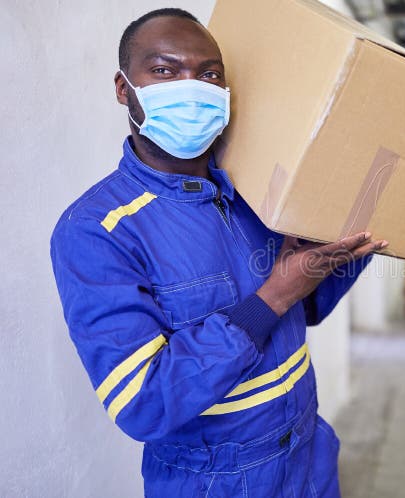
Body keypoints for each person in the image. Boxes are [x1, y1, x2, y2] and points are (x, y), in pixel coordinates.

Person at [49, 9, 386, 497]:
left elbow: (306, 308)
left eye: (208, 74)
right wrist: (272, 294)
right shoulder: (97, 230)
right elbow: (144, 401)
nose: (191, 86)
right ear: (125, 89)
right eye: (164, 71)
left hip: (308, 458)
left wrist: (357, 242)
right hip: (216, 482)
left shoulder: (256, 198)